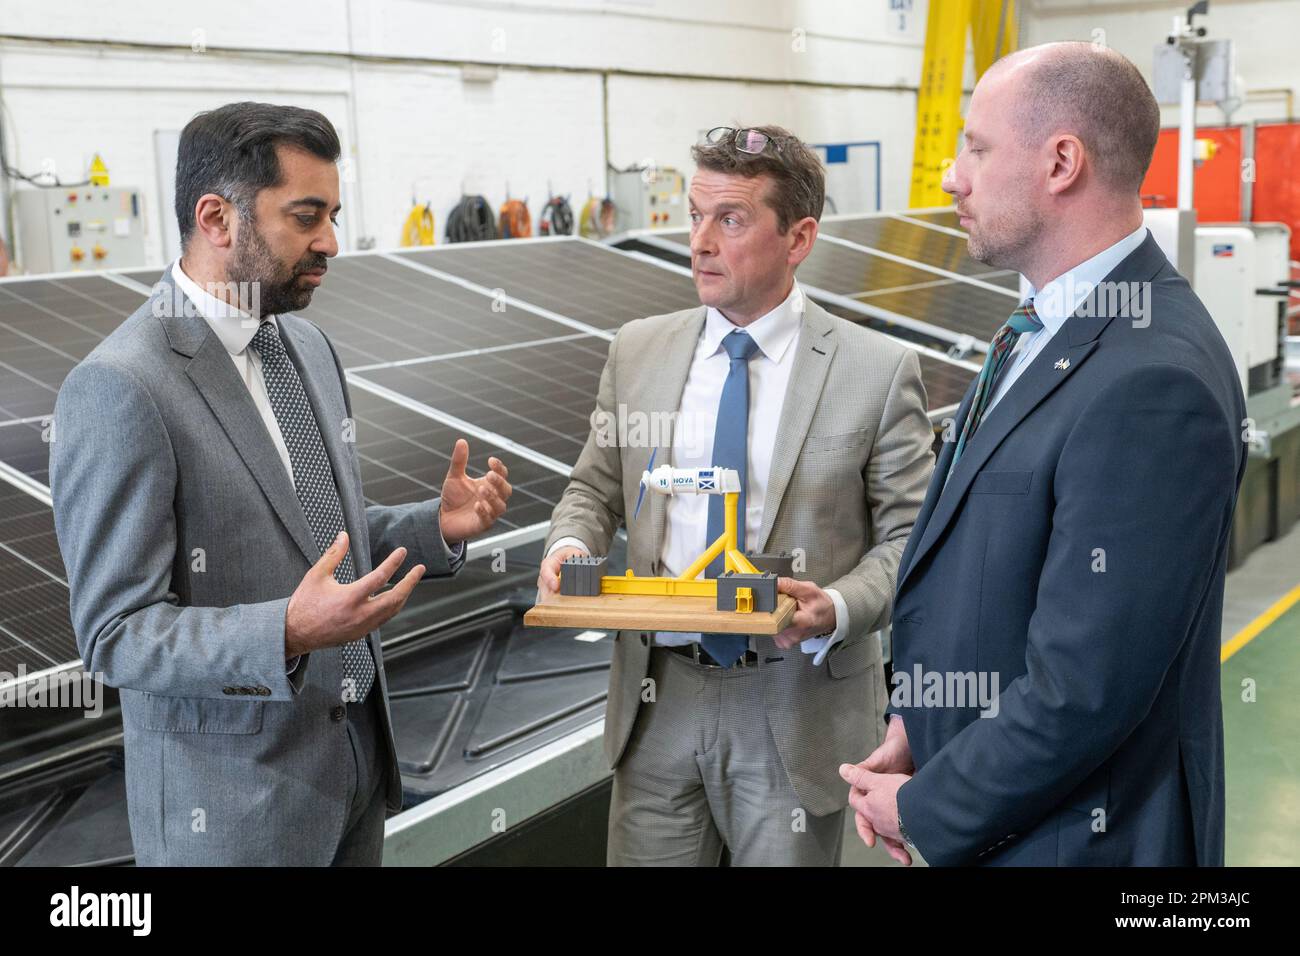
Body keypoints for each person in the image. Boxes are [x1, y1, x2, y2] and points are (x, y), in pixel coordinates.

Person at [50, 102, 512, 866]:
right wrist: (286, 633)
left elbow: (319, 533)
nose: (330, 241)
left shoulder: (304, 344)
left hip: (354, 776)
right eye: (305, 216)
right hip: (234, 817)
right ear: (216, 218)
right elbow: (116, 635)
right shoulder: (122, 387)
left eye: (332, 214)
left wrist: (435, 527)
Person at [843, 43, 1247, 866]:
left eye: (976, 148)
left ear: (1062, 161)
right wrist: (924, 724)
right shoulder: (1044, 331)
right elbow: (988, 579)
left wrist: (931, 804)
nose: (953, 177)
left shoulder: (1151, 378)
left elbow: (1085, 687)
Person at [538, 125, 934, 865]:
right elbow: (594, 488)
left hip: (796, 703)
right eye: (694, 216)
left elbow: (911, 539)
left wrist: (838, 606)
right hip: (659, 698)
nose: (700, 242)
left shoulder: (876, 371)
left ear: (799, 237)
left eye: (731, 219)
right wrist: (569, 546)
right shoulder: (637, 351)